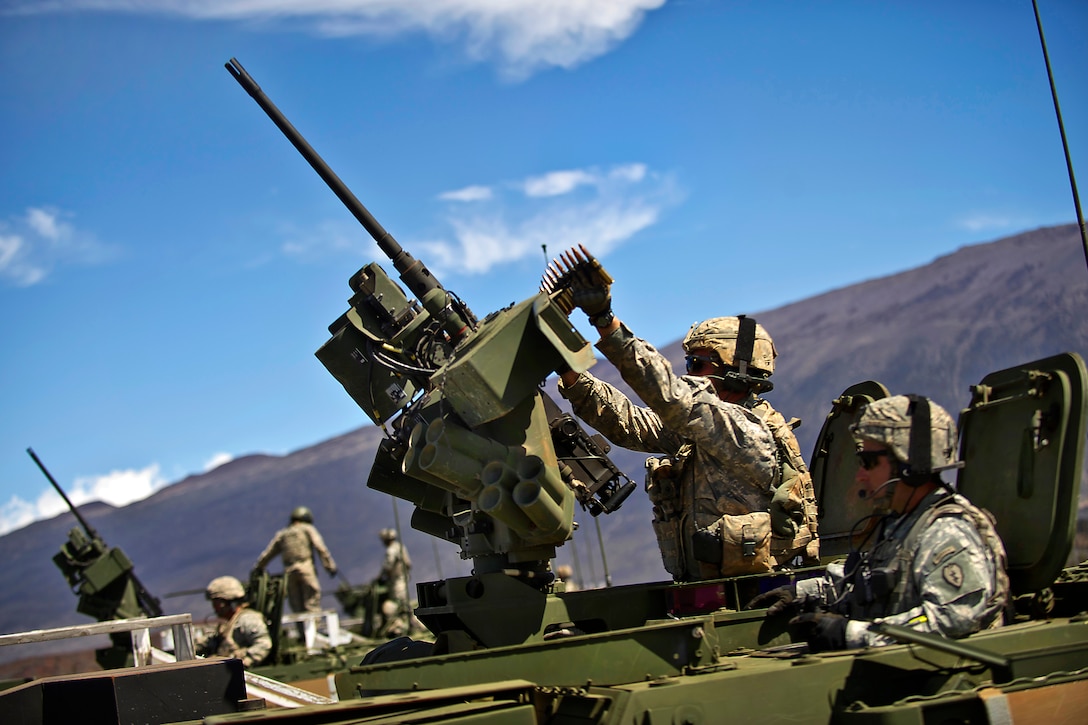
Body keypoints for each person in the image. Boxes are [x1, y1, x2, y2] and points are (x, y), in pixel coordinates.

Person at [550, 247, 818, 582]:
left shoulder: (746, 432)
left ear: (736, 372)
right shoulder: (703, 432)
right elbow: (630, 424)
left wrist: (605, 321)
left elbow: (673, 400)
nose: (689, 373)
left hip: (753, 593)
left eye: (697, 364)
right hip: (708, 589)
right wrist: (570, 371)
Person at [747, 395, 1010, 652]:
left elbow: (949, 619)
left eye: (869, 463)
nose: (860, 475)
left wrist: (852, 634)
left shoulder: (948, 531)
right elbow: (867, 581)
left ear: (909, 465)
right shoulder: (902, 525)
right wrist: (802, 592)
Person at [254, 506, 338, 614]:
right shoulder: (307, 529)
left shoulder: (283, 534)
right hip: (305, 567)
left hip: (289, 571)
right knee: (312, 601)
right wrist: (330, 566)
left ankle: (300, 624)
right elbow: (321, 548)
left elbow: (268, 553)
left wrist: (259, 567)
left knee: (296, 605)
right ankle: (314, 624)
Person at [194, 575, 272, 668]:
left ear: (228, 602)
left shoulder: (247, 619)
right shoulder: (226, 623)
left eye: (216, 602)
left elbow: (264, 643)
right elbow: (211, 641)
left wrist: (244, 662)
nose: (214, 607)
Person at [376, 528, 412, 637]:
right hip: (403, 579)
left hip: (396, 581)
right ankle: (407, 625)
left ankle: (400, 629)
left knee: (397, 604)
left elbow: (388, 567)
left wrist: (380, 578)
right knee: (404, 603)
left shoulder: (391, 550)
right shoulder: (400, 547)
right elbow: (408, 563)